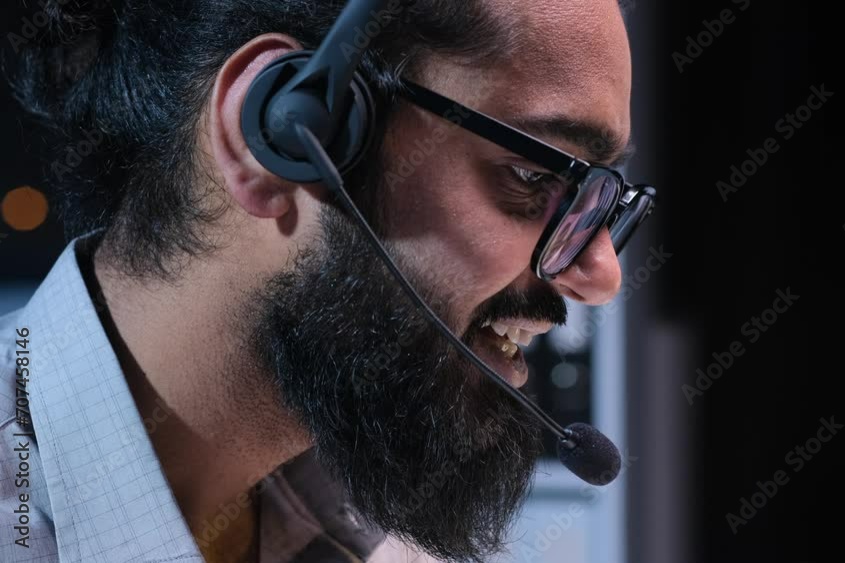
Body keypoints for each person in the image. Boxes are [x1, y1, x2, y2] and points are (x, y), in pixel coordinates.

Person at [0, 0, 639, 561]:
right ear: (282, 138)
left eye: (602, 199)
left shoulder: (384, 535)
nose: (601, 274)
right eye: (532, 175)